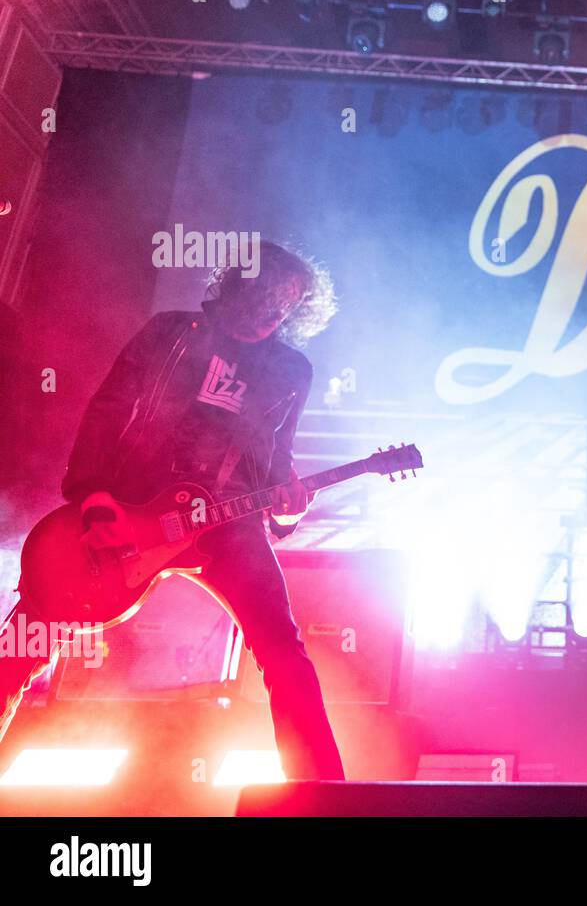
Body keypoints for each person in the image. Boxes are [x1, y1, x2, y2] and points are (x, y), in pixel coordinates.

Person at [0, 243, 346, 781]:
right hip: (134, 500)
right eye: (269, 294)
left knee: (284, 652)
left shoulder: (291, 370)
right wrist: (94, 498)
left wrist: (287, 512)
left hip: (228, 523)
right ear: (239, 284)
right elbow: (108, 409)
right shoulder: (172, 332)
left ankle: (325, 797)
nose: (275, 311)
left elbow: (276, 463)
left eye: (288, 302)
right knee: (31, 633)